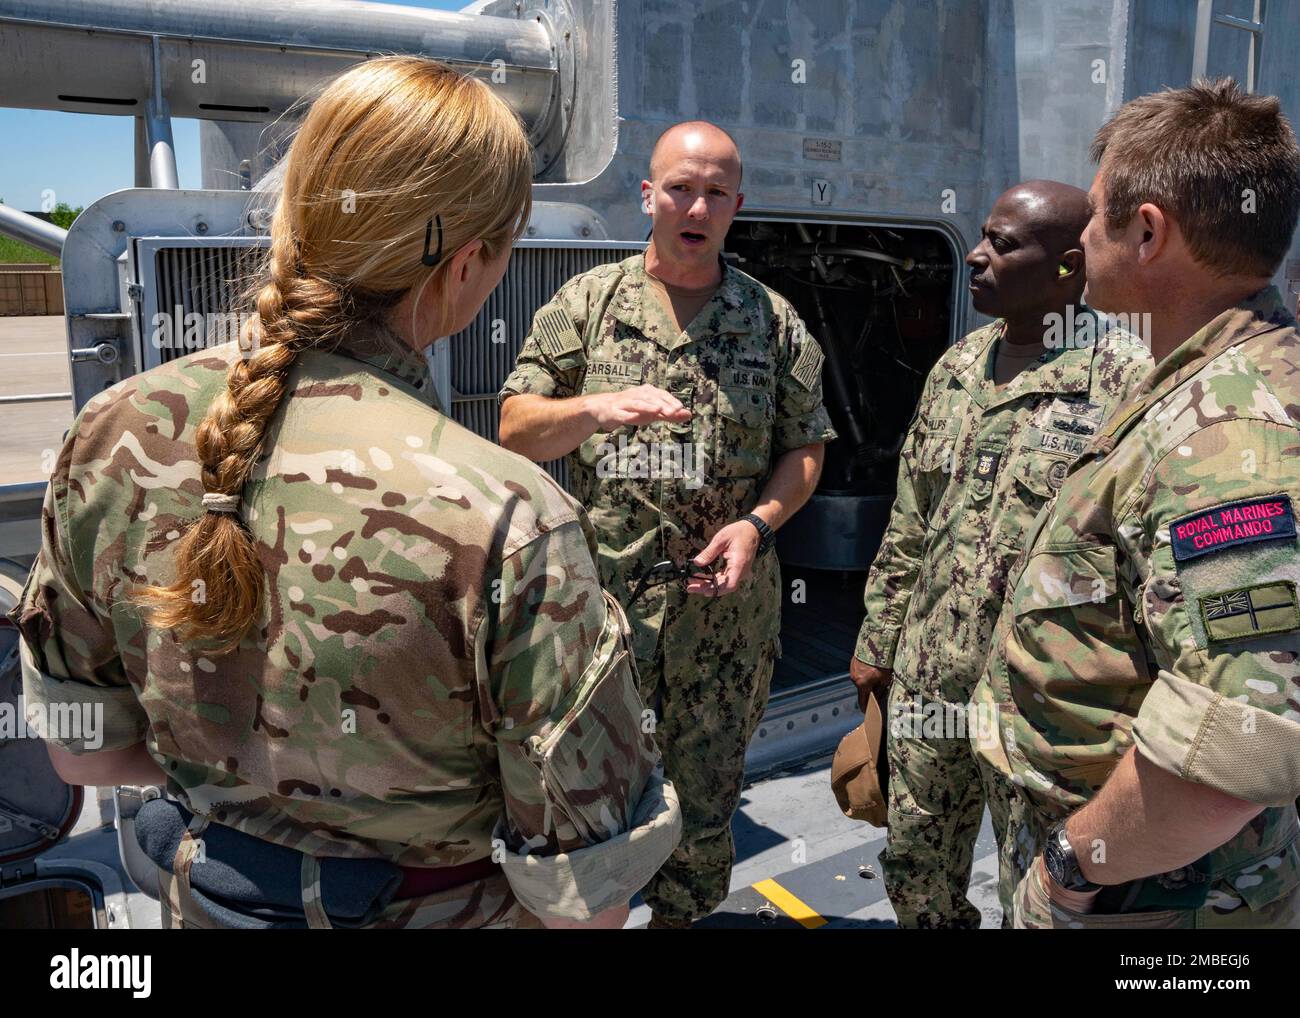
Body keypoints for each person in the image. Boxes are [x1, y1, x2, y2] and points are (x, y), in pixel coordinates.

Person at [10, 55, 680, 930]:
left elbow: (83, 758)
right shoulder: (510, 517)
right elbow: (583, 905)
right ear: (470, 264)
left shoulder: (107, 431)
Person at [972, 78, 1300, 929]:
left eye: (1097, 217)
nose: (1082, 237)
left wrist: (1069, 866)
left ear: (1148, 232)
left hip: (1153, 902)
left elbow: (1238, 749)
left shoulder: (1228, 436)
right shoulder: (1201, 380)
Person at [498, 121, 835, 927]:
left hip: (723, 626)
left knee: (708, 808)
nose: (698, 204)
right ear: (648, 196)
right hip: (602, 622)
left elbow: (807, 446)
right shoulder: (588, 304)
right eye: (682, 186)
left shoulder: (772, 319)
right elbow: (515, 424)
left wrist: (758, 522)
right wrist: (590, 409)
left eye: (718, 191)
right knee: (587, 809)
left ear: (736, 207)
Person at [849, 181, 1152, 928]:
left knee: (1041, 885)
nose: (977, 257)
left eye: (1004, 244)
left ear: (1068, 269)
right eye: (981, 237)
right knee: (915, 865)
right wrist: (875, 647)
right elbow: (912, 519)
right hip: (930, 682)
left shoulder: (1124, 380)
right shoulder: (957, 368)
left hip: (1039, 701)